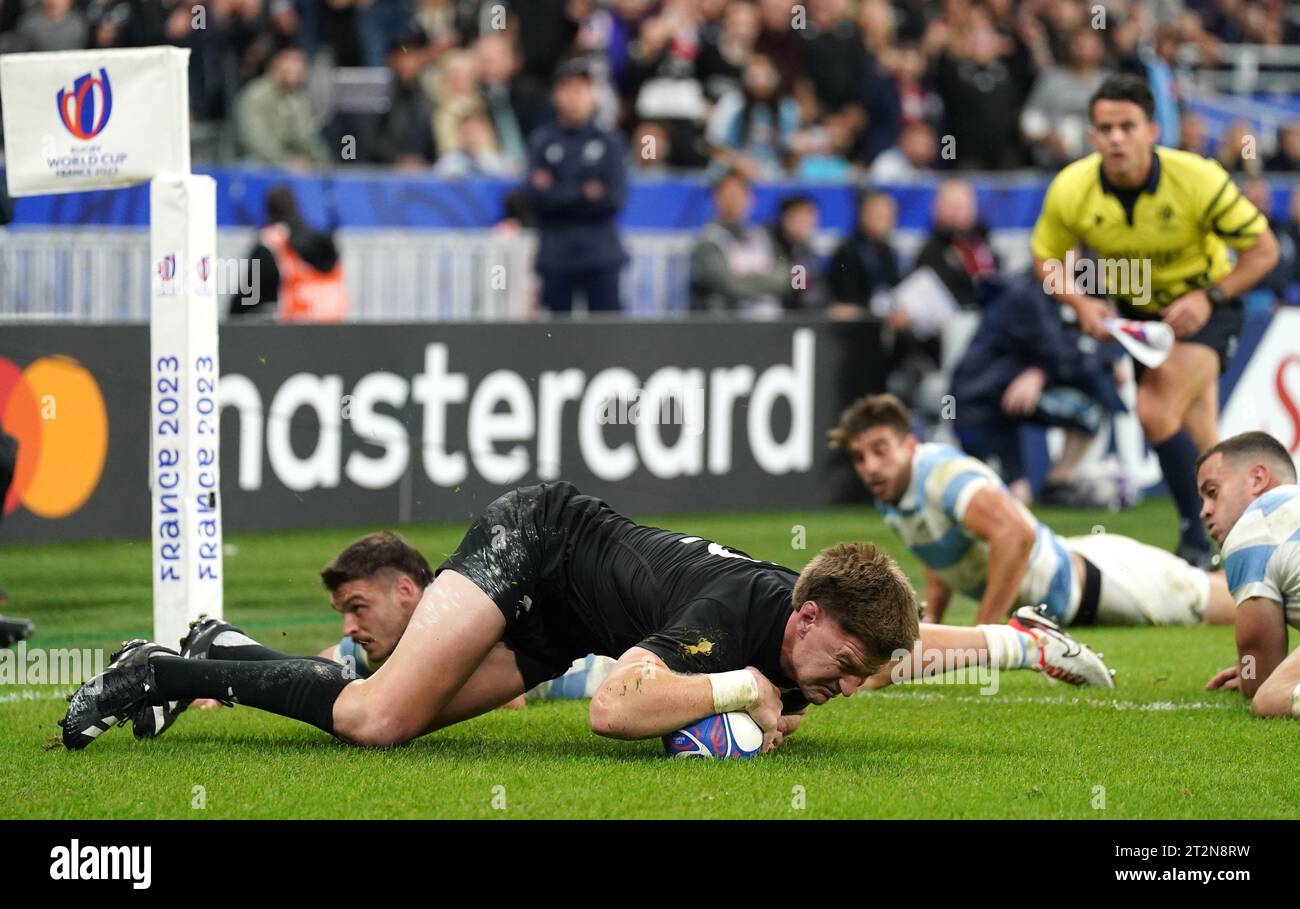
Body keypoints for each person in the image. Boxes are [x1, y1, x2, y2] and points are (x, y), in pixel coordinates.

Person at [61, 480, 1113, 753]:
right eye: (837, 669)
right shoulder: (739, 627)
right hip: (539, 541)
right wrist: (741, 692)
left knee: (390, 716)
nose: (846, 688)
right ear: (800, 620)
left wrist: (1024, 644)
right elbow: (615, 707)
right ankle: (163, 668)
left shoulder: (829, 622)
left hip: (565, 614)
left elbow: (911, 649)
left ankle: (221, 650)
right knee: (376, 722)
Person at [1031, 74, 1280, 568]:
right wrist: (1082, 305)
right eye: (1104, 128)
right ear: (1092, 134)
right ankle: (1266, 533)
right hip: (1141, 319)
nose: (1115, 138)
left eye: (1127, 126)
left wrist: (1210, 296)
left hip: (1207, 306)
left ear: (1152, 130)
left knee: (1154, 407)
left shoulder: (1197, 178)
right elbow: (1047, 260)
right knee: (1205, 435)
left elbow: (1264, 250)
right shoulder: (1073, 188)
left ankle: (1194, 540)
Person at [830, 393, 1237, 629]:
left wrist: (984, 635)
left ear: (909, 445)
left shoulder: (941, 476)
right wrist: (934, 615)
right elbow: (938, 548)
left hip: (1098, 582)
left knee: (1223, 599)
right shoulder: (892, 492)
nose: (869, 466)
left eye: (880, 450)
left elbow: (1015, 535)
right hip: (1072, 568)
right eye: (859, 457)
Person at [950, 271, 1126, 507]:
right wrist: (1043, 369)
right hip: (977, 406)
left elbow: (1066, 345)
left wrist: (1039, 371)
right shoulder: (1025, 294)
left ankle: (1058, 485)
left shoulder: (1062, 294)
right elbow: (1057, 352)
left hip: (1005, 401)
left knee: (1091, 408)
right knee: (1007, 500)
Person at [1198, 432, 1300, 716]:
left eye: (1212, 492)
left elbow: (1258, 678)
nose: (1204, 511)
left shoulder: (1253, 529)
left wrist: (1250, 672)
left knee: (1270, 699)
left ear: (1257, 479)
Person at [522, 57, 628, 314]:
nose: (575, 97)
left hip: (600, 254)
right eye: (568, 89)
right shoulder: (542, 141)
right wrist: (584, 193)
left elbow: (613, 199)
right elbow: (534, 197)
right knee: (554, 338)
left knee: (607, 335)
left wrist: (558, 191)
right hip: (556, 254)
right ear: (555, 95)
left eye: (582, 89)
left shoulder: (610, 142)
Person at [227, 185, 348, 323]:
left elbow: (245, 299)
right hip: (335, 331)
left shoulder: (270, 245)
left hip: (289, 334)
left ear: (268, 212)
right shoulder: (324, 242)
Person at [689, 169, 790, 317]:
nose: (734, 200)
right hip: (726, 325)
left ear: (751, 199)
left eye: (740, 194)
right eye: (729, 194)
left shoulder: (763, 235)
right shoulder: (707, 240)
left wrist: (746, 276)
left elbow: (785, 278)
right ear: (716, 198)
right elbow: (728, 284)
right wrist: (764, 279)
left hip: (768, 323)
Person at [235, 45, 333, 169]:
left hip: (289, 159)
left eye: (301, 68)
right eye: (293, 66)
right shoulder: (255, 95)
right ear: (277, 67)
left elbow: (306, 136)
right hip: (257, 159)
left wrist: (322, 160)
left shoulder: (297, 98)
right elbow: (256, 141)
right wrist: (286, 162)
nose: (299, 72)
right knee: (253, 165)